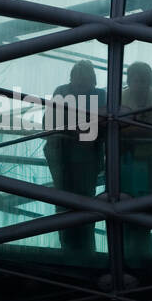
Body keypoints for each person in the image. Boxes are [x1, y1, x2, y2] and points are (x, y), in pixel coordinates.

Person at [44, 60, 106, 253]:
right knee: (81, 202)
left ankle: (72, 250)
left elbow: (51, 123)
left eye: (83, 79)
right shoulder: (99, 95)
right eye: (79, 78)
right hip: (78, 154)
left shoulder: (63, 92)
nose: (80, 83)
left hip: (69, 153)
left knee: (67, 202)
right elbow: (51, 123)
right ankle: (83, 250)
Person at [118, 61, 152, 256]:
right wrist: (141, 127)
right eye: (135, 80)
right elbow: (148, 129)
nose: (139, 84)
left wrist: (130, 128)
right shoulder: (125, 95)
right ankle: (139, 245)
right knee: (134, 199)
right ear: (129, 80)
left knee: (148, 202)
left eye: (142, 80)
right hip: (133, 159)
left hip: (148, 159)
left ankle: (144, 245)